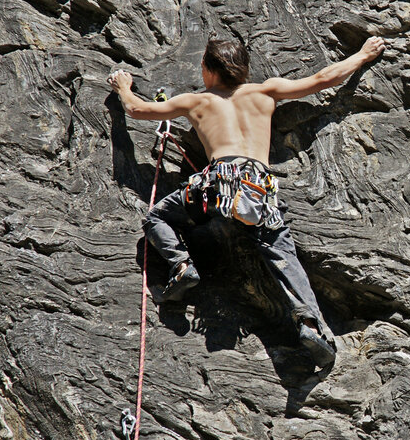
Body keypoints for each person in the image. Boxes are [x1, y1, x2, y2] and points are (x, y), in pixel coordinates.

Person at [108, 35, 386, 368]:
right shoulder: (265, 91)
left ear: (209, 70)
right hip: (257, 188)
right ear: (244, 69)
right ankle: (310, 324)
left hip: (215, 186)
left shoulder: (197, 101)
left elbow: (138, 109)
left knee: (157, 217)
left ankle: (181, 266)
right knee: (282, 254)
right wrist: (362, 54)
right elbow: (323, 80)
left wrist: (123, 86)